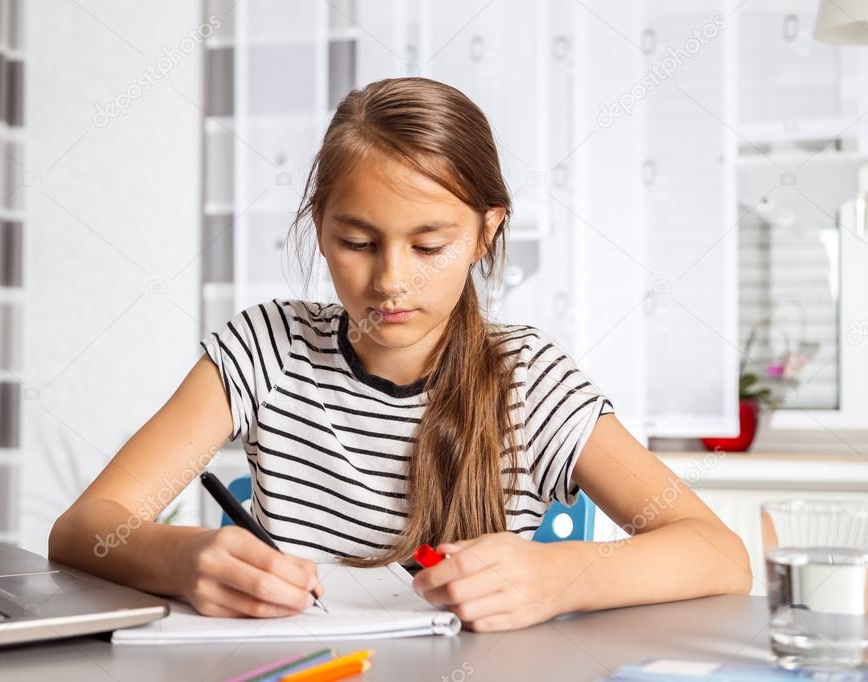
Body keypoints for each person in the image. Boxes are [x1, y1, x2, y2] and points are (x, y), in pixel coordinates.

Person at [49, 77, 752, 632]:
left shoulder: (528, 381)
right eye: (356, 243)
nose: (389, 281)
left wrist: (559, 576)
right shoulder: (263, 349)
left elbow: (718, 553)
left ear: (484, 233)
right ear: (317, 228)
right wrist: (182, 556)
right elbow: (84, 528)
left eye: (427, 246)